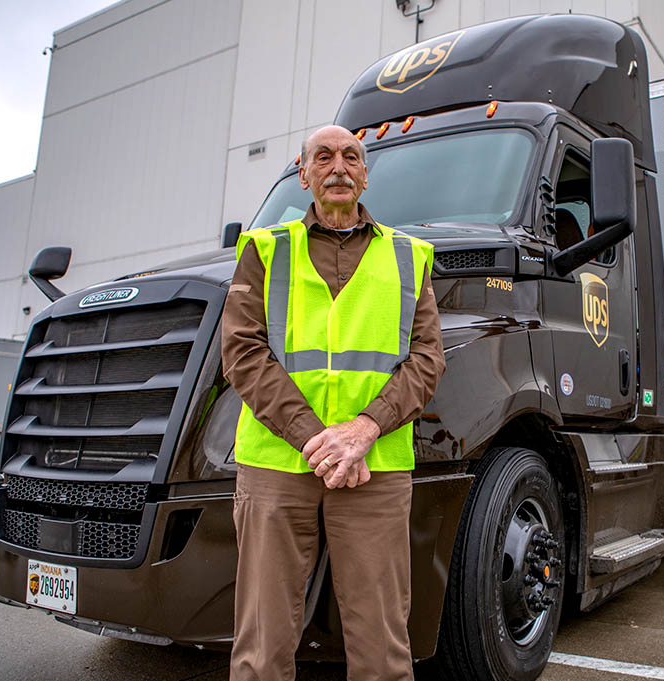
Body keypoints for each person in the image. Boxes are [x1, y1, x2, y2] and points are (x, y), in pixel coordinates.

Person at [221, 124, 445, 681]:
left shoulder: (408, 257)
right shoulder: (263, 251)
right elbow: (242, 352)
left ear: (365, 175)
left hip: (374, 465)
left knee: (383, 647)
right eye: (323, 157)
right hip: (278, 463)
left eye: (351, 156)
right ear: (304, 174)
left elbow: (427, 359)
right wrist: (316, 440)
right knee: (261, 645)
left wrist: (364, 430)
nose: (338, 166)